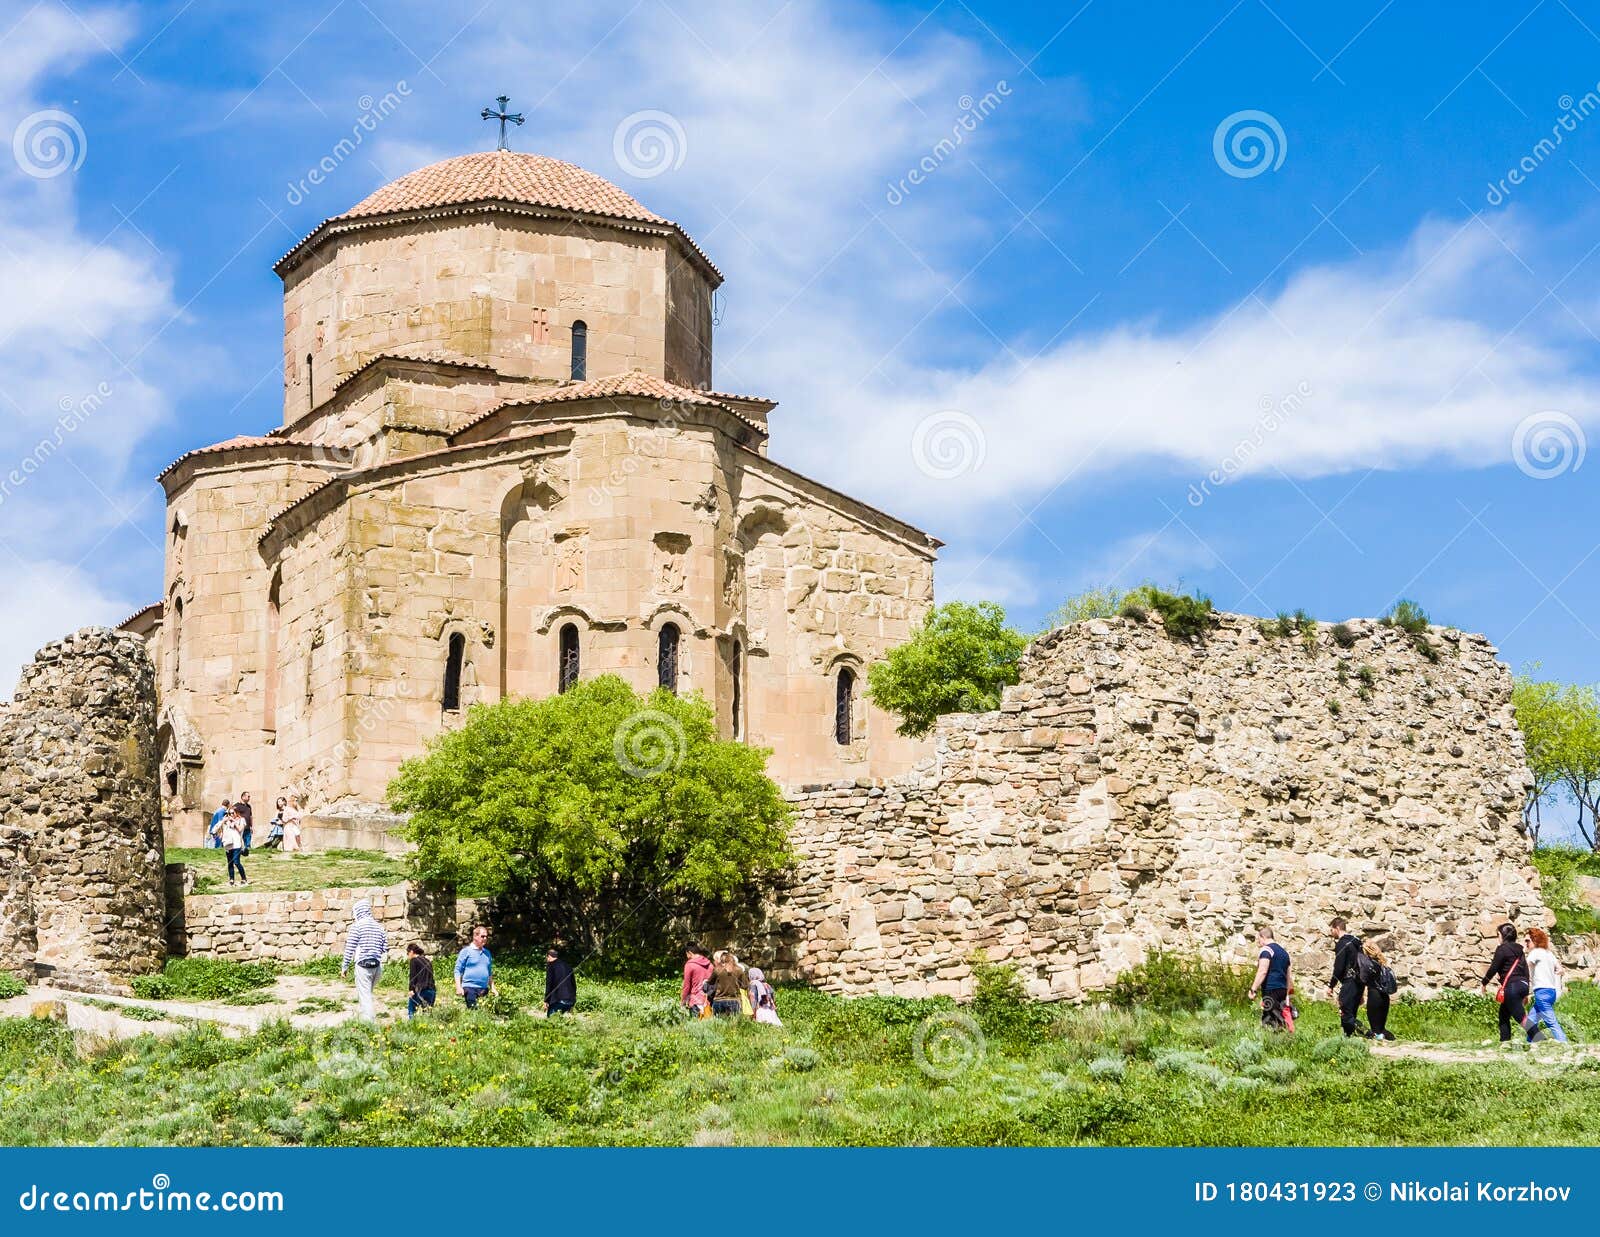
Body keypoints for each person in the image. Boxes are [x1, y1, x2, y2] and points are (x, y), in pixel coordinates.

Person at [339, 899, 389, 1023]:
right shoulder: (379, 927)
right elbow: (385, 948)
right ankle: (362, 1019)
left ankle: (368, 1025)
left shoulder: (357, 927)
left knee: (365, 996)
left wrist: (344, 967)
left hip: (363, 966)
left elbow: (349, 949)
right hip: (377, 966)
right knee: (367, 995)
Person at [1480, 922, 1530, 1045]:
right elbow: (1526, 970)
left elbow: (1494, 967)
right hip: (1522, 984)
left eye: (1498, 935)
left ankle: (1540, 1039)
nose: (1498, 937)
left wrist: (1484, 982)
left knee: (1521, 1018)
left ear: (1504, 935)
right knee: (1503, 1015)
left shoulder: (1502, 949)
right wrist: (1526, 992)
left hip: (1512, 987)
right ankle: (1505, 1042)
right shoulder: (1520, 950)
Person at [1524, 926, 1569, 1044]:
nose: (1526, 943)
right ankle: (1531, 1043)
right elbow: (1560, 969)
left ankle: (1564, 1043)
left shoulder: (1535, 953)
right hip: (1551, 992)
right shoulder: (1549, 954)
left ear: (1535, 940)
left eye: (1528, 941)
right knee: (1531, 1021)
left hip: (1541, 992)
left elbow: (1524, 967)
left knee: (1550, 1020)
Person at [1327, 917, 1368, 1037]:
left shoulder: (1342, 943)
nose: (1331, 933)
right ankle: (1350, 1038)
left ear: (1337, 928)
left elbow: (1338, 967)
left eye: (1332, 930)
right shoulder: (1357, 942)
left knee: (1345, 1013)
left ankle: (1368, 1034)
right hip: (1359, 981)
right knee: (1352, 1013)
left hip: (1349, 981)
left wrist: (1331, 985)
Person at [1247, 925, 1293, 1031]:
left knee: (1270, 1019)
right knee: (1278, 1017)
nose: (1259, 943)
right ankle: (1283, 1040)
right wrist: (1288, 994)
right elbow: (1289, 976)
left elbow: (1262, 971)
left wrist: (1253, 989)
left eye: (1259, 940)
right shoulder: (1284, 953)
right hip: (1282, 990)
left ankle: (1274, 1043)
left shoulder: (1266, 950)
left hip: (1271, 989)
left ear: (1263, 937)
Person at [1357, 940, 1395, 1041]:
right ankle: (1387, 1039)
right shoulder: (1382, 963)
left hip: (1374, 995)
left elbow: (1363, 980)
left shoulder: (1368, 964)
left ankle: (1379, 1045)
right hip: (1385, 996)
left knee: (1375, 1028)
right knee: (1381, 1027)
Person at [455, 924, 497, 1010]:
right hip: (469, 987)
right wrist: (458, 987)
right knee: (473, 1010)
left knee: (485, 1012)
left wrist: (493, 988)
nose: (485, 939)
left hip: (483, 989)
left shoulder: (487, 953)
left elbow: (489, 972)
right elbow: (458, 970)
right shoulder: (466, 951)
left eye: (486, 937)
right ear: (475, 936)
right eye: (482, 936)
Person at [708, 950, 747, 1017]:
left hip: (719, 1000)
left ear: (722, 960)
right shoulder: (739, 970)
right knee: (733, 1026)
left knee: (718, 1025)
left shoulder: (717, 970)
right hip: (734, 1000)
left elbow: (710, 983)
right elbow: (745, 986)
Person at [543, 946, 576, 1015]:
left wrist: (546, 1001)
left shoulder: (551, 966)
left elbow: (549, 984)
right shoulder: (568, 966)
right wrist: (573, 1000)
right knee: (564, 1023)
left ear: (548, 956)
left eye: (546, 957)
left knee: (551, 1021)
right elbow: (574, 985)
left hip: (558, 1000)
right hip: (570, 1000)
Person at [407, 943, 436, 1019]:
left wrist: (411, 989)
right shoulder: (427, 961)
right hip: (432, 990)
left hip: (421, 990)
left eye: (408, 953)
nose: (408, 956)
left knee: (411, 1011)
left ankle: (412, 1027)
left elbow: (413, 976)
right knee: (427, 1014)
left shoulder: (414, 960)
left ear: (412, 952)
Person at [681, 945, 713, 1016]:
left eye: (686, 954)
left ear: (689, 953)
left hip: (695, 1000)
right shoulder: (710, 964)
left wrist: (683, 1000)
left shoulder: (689, 965)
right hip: (709, 999)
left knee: (696, 1024)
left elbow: (687, 985)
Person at [220, 807, 248, 887]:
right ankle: (231, 879)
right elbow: (223, 830)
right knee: (230, 862)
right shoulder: (227, 821)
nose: (231, 815)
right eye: (229, 813)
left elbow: (240, 829)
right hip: (229, 844)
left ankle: (244, 878)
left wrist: (234, 822)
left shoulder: (242, 820)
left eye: (233, 813)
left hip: (237, 844)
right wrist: (224, 822)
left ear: (236, 812)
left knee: (236, 862)